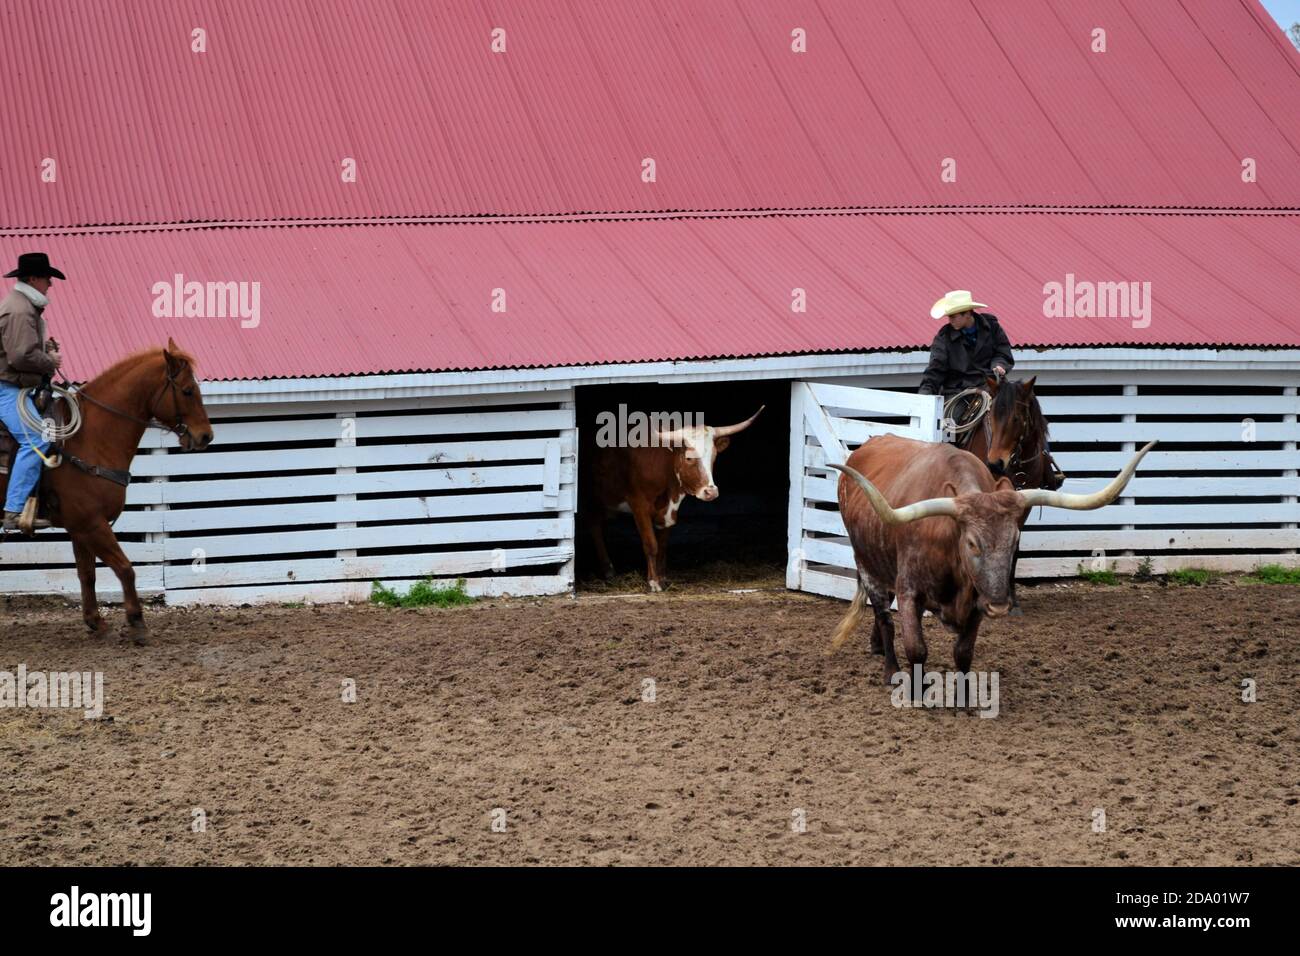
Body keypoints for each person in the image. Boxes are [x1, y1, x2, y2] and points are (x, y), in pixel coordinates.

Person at [919, 289, 1064, 484]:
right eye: (949, 316)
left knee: (1026, 409)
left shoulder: (992, 327)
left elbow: (1003, 353)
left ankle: (1046, 465)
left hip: (993, 385)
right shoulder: (943, 338)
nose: (950, 320)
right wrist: (924, 395)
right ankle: (942, 473)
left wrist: (1000, 365)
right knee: (948, 426)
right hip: (960, 393)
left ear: (967, 314)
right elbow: (934, 371)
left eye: (953, 316)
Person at [0, 252, 66, 530]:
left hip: (16, 385)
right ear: (34, 279)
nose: (50, 283)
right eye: (47, 278)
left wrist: (44, 353)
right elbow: (19, 356)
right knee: (38, 439)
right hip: (6, 388)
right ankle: (13, 511)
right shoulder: (19, 310)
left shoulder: (24, 306)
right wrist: (49, 361)